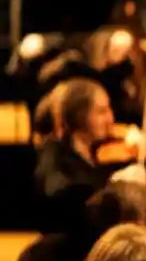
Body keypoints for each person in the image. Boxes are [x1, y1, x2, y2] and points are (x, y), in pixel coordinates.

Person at [33, 78, 116, 233]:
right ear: (80, 116)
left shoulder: (90, 151)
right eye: (101, 112)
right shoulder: (54, 156)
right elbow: (61, 195)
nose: (111, 119)